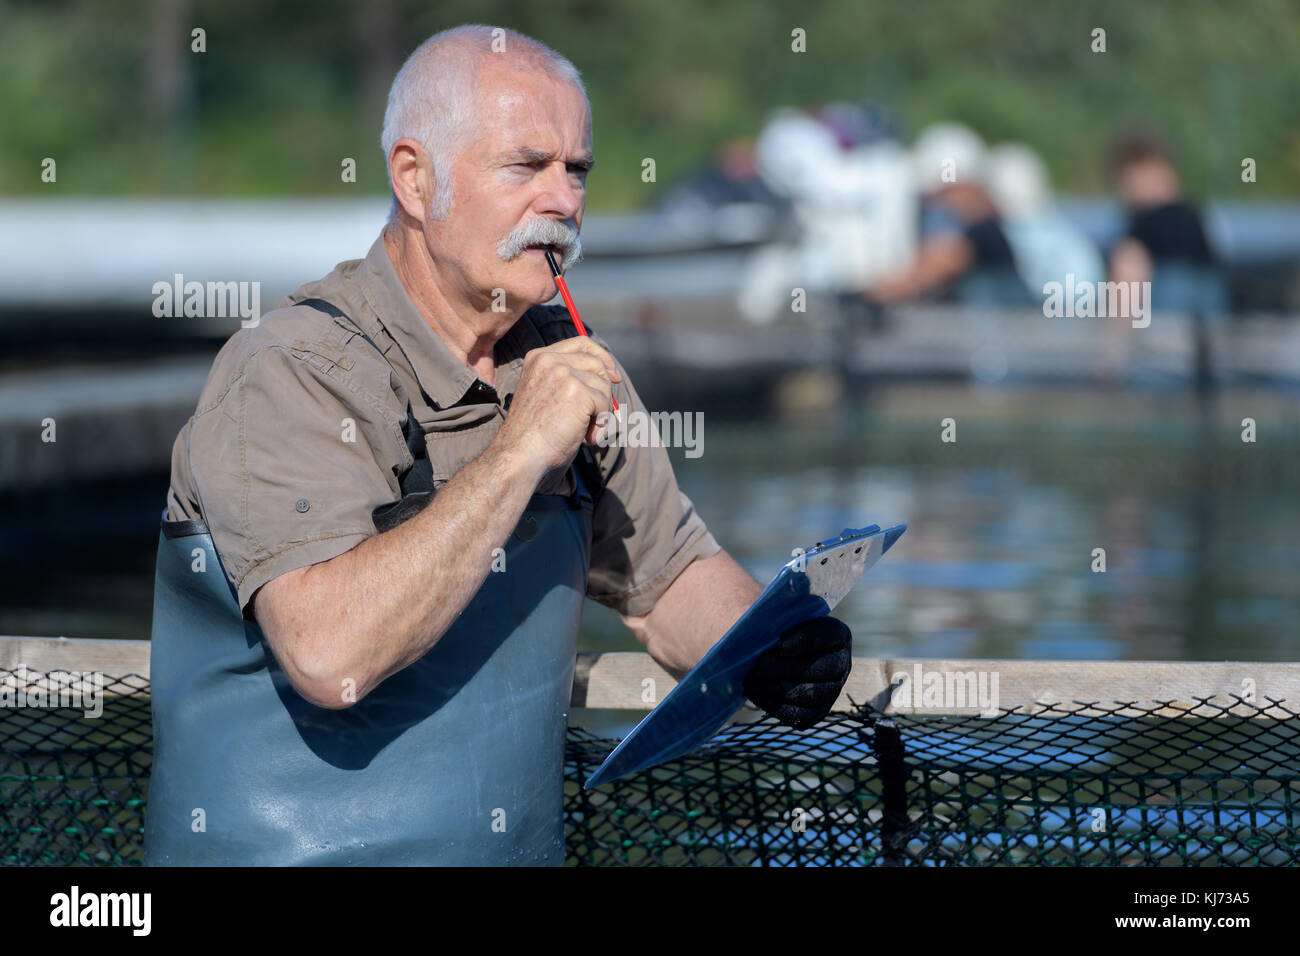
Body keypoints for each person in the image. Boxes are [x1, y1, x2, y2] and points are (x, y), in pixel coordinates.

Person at [144, 24, 853, 866]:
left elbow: (663, 584)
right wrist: (520, 453)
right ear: (415, 179)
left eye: (577, 169)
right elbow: (330, 655)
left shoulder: (571, 365)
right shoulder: (291, 370)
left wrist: (771, 643)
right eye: (525, 166)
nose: (563, 200)